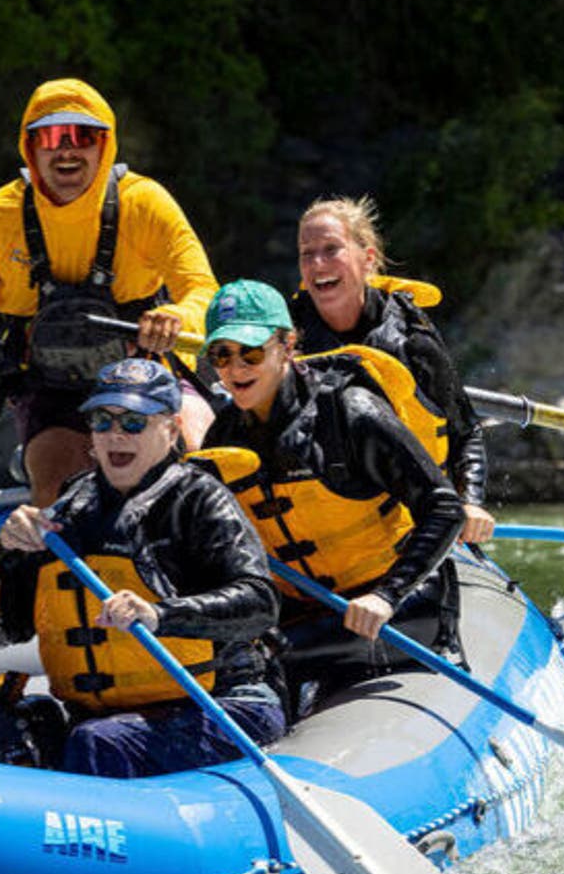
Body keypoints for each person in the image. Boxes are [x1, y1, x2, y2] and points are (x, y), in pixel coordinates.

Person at [0, 357, 285, 778]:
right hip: (105, 713)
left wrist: (160, 615)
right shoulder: (70, 506)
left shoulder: (199, 500)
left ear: (172, 429)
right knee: (5, 731)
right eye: (102, 421)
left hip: (220, 707)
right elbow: (8, 630)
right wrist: (11, 552)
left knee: (99, 742)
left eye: (134, 422)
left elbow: (260, 604)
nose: (115, 435)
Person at [0, 77, 219, 506]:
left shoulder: (147, 203)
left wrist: (177, 317)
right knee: (55, 493)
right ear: (30, 148)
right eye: (50, 137)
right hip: (51, 389)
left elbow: (203, 291)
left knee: (200, 460)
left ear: (106, 145)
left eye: (83, 136)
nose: (66, 149)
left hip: (150, 373)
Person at [194, 279, 465, 715]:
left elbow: (444, 508)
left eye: (251, 352)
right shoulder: (223, 436)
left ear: (288, 344)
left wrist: (387, 595)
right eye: (220, 355)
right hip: (309, 611)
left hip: (404, 606)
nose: (235, 368)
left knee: (269, 658)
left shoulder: (349, 412)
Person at [290, 196, 494, 543]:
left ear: (367, 258)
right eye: (307, 253)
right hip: (328, 525)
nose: (318, 263)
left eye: (331, 249)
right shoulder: (286, 338)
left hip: (412, 514)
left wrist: (470, 501)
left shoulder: (411, 337)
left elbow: (465, 431)